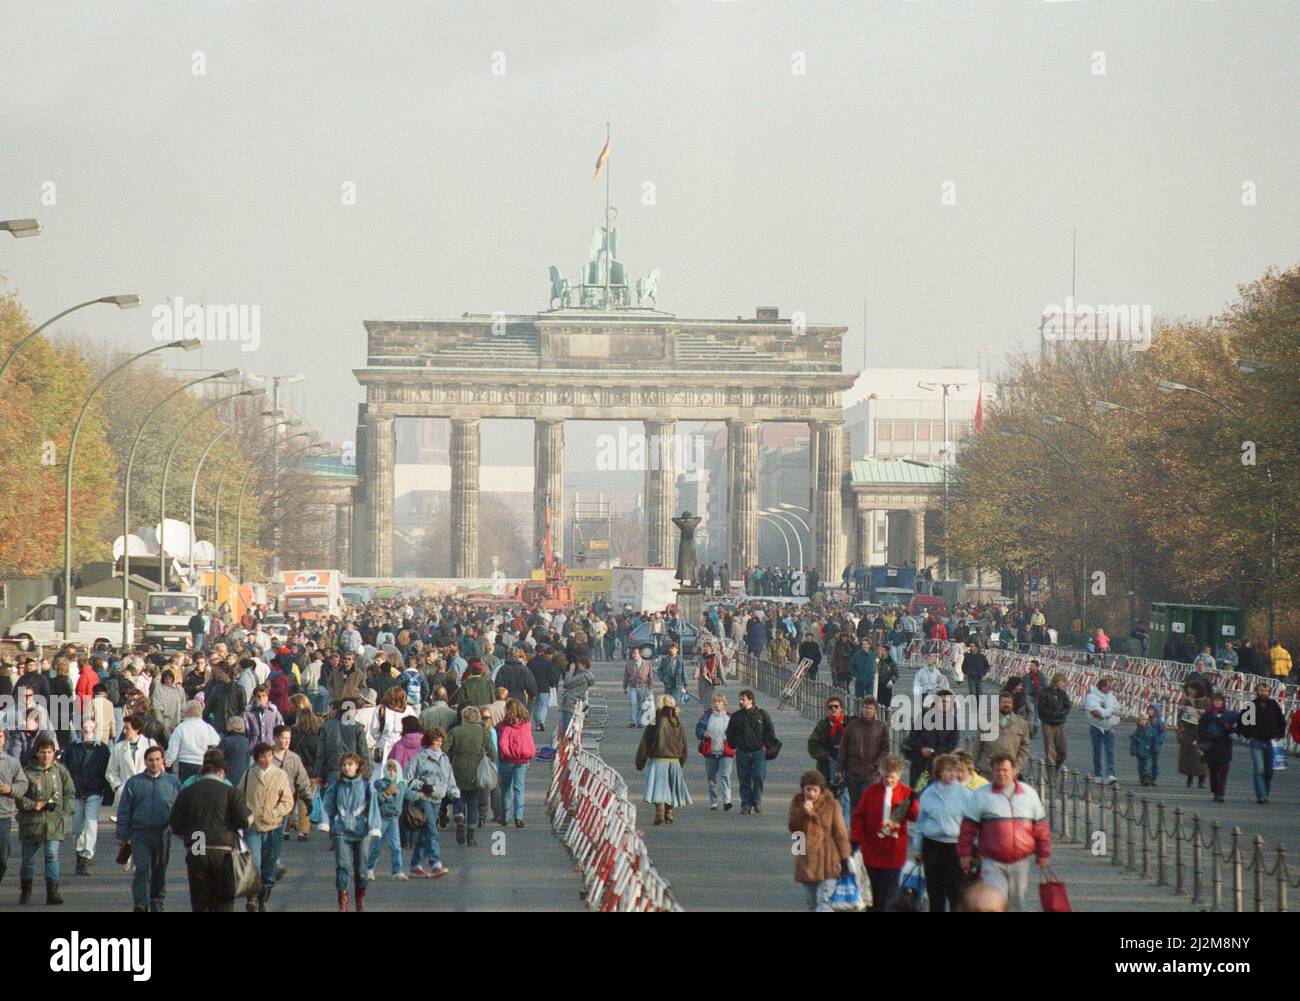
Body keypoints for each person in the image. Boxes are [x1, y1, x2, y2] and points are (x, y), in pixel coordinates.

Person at [957, 752, 1050, 912]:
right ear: (992, 772)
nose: (1001, 774)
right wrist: (965, 854)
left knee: (1017, 903)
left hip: (1021, 860)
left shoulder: (1029, 794)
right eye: (997, 770)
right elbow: (968, 828)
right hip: (992, 860)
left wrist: (1043, 852)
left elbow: (1041, 827)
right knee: (995, 902)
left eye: (1005, 770)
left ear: (1014, 771)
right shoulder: (981, 795)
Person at [168, 748, 252, 912]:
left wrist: (189, 834)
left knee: (200, 899)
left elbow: (175, 824)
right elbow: (244, 820)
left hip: (196, 848)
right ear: (221, 771)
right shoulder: (230, 792)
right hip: (223, 849)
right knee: (224, 900)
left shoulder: (188, 791)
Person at [114, 745, 181, 912]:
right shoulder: (134, 783)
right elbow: (124, 810)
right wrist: (122, 834)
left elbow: (180, 808)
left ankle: (157, 902)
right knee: (142, 869)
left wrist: (181, 830)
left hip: (162, 834)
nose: (154, 763)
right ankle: (140, 903)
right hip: (140, 834)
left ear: (163, 760)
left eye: (157, 759)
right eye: (150, 760)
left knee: (159, 870)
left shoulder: (172, 782)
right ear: (145, 761)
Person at [851, 754, 919, 911]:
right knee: (871, 898)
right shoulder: (871, 791)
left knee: (888, 898)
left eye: (892, 777)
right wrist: (855, 838)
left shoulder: (905, 792)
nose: (889, 780)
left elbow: (914, 816)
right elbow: (859, 816)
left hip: (893, 854)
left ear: (899, 776)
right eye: (886, 777)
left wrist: (913, 802)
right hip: (871, 851)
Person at [319, 751, 382, 911]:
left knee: (361, 870)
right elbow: (327, 805)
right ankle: (343, 902)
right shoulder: (336, 785)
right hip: (341, 830)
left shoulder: (366, 785)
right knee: (342, 866)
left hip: (362, 831)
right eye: (344, 765)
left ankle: (360, 900)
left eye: (350, 764)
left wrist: (374, 827)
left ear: (357, 766)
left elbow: (374, 808)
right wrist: (326, 822)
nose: (347, 768)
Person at [17, 737, 75, 905]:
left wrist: (65, 812)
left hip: (54, 821)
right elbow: (18, 796)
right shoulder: (27, 772)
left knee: (52, 855)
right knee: (28, 860)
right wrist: (32, 805)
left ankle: (52, 892)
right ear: (36, 753)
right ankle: (26, 889)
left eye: (49, 752)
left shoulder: (60, 771)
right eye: (43, 752)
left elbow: (70, 792)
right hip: (32, 822)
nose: (46, 755)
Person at [911, 753, 968, 912]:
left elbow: (971, 824)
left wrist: (972, 850)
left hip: (955, 846)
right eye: (948, 770)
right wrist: (918, 849)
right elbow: (920, 824)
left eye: (954, 770)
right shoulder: (928, 794)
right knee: (935, 892)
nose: (952, 774)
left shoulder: (965, 794)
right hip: (932, 846)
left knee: (956, 893)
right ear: (939, 772)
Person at [788, 769, 850, 912]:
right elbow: (794, 829)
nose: (811, 793)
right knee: (812, 903)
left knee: (824, 900)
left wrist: (845, 857)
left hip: (829, 861)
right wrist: (803, 813)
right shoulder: (797, 803)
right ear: (803, 789)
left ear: (821, 791)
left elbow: (840, 833)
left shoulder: (832, 804)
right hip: (807, 863)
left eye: (815, 790)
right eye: (808, 789)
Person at [403, 726, 456, 878]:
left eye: (440, 742)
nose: (438, 745)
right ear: (428, 741)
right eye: (435, 741)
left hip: (438, 799)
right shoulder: (420, 757)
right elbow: (407, 779)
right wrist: (422, 786)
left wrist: (455, 794)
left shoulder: (444, 759)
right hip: (423, 798)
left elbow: (449, 779)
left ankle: (416, 865)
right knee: (432, 829)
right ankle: (435, 863)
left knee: (425, 833)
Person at [63, 717, 110, 877]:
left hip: (94, 792)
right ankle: (79, 853)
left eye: (91, 727)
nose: (88, 730)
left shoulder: (102, 749)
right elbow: (64, 770)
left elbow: (107, 771)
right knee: (76, 827)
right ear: (81, 729)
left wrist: (107, 792)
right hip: (76, 792)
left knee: (91, 824)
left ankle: (87, 857)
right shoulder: (72, 748)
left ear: (95, 730)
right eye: (85, 727)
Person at [636, 695, 692, 825]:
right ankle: (669, 812)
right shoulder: (677, 722)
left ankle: (659, 811)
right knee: (672, 786)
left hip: (657, 759)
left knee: (658, 787)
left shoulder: (654, 720)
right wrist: (682, 760)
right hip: (674, 760)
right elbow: (683, 744)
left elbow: (645, 742)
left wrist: (640, 762)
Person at [444, 706, 496, 845]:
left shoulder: (455, 731)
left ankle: (459, 815)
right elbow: (492, 752)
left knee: (458, 797)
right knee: (473, 803)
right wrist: (490, 762)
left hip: (457, 770)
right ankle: (471, 835)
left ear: (464, 717)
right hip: (476, 772)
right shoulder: (484, 733)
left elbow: (444, 749)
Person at [726, 689, 777, 815]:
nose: (740, 701)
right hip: (742, 751)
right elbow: (730, 733)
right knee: (744, 778)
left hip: (758, 751)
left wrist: (767, 745)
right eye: (740, 699)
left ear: (751, 700)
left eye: (743, 699)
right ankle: (746, 804)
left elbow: (770, 731)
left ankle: (757, 801)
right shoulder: (736, 716)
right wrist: (733, 744)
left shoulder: (761, 714)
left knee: (758, 775)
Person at [837, 696, 890, 815]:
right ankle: (855, 826)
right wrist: (839, 768)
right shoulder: (852, 725)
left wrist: (876, 764)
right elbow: (844, 747)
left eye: (871, 708)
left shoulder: (881, 727)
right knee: (855, 806)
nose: (868, 711)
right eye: (866, 707)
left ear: (875, 711)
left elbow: (885, 749)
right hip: (853, 772)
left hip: (872, 774)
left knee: (870, 805)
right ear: (861, 709)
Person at [1237, 682, 1286, 804]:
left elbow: (1281, 722)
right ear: (1256, 692)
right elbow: (1242, 723)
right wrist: (1248, 735)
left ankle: (1266, 793)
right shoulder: (1251, 706)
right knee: (1259, 769)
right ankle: (1261, 796)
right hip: (1256, 741)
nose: (1264, 693)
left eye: (1266, 691)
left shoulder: (1274, 705)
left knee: (1269, 772)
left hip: (1271, 741)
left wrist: (1279, 735)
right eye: (1261, 690)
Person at [903, 689, 961, 787]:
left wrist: (934, 751)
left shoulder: (953, 721)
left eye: (947, 702)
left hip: (941, 767)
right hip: (920, 764)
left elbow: (952, 744)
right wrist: (921, 749)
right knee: (918, 792)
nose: (944, 704)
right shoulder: (923, 716)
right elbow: (913, 737)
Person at [365, 757, 408, 881]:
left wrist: (421, 795)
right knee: (376, 846)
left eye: (394, 770)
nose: (392, 772)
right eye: (389, 770)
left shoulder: (401, 784)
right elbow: (375, 800)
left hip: (394, 818)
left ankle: (397, 871)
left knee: (396, 846)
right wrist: (386, 793)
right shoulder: (380, 784)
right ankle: (369, 868)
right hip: (381, 818)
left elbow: (409, 794)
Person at [496, 698, 537, 829]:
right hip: (522, 760)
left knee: (506, 790)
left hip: (506, 760)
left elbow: (500, 742)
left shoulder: (502, 726)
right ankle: (519, 817)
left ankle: (505, 817)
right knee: (519, 789)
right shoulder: (526, 725)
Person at [807, 696, 849, 821]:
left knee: (845, 796)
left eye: (836, 707)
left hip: (846, 765)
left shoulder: (849, 725)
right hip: (827, 766)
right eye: (830, 707)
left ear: (841, 709)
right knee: (827, 797)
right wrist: (826, 756)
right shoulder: (823, 726)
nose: (833, 709)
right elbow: (812, 745)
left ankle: (843, 826)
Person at [975, 690, 1031, 779]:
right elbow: (977, 747)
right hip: (987, 772)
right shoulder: (986, 720)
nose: (1006, 705)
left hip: (1009, 773)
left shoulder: (1021, 724)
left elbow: (1024, 749)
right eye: (1004, 702)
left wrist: (1017, 768)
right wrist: (972, 767)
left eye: (1009, 703)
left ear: (1012, 705)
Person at [316, 700, 371, 788]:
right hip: (351, 770)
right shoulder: (357, 727)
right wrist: (367, 773)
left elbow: (321, 753)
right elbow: (363, 752)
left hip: (331, 770)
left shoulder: (326, 726)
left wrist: (318, 774)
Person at [1197, 694, 1239, 804]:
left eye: (1220, 701)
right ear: (1212, 702)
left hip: (1224, 744)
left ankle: (1221, 793)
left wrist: (1228, 727)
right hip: (1211, 745)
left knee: (1224, 770)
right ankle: (1215, 791)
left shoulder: (1228, 715)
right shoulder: (1207, 715)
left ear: (1223, 702)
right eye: (1216, 700)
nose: (1218, 702)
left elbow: (1233, 729)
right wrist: (1204, 741)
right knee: (1213, 771)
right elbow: (1201, 729)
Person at [695, 693, 734, 811]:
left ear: (724, 704)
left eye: (719, 701)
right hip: (710, 751)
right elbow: (699, 729)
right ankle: (713, 801)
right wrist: (703, 733)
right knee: (711, 778)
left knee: (725, 775)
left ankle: (727, 800)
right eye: (715, 702)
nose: (716, 704)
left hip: (726, 751)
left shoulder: (730, 717)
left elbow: (737, 731)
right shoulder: (707, 717)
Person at [165, 700, 221, 782]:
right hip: (202, 763)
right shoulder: (207, 727)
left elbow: (173, 749)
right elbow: (216, 741)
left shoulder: (181, 727)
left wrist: (167, 763)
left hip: (185, 763)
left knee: (185, 787)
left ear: (187, 712)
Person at [1084, 677, 1121, 782]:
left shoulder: (1111, 697)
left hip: (1109, 728)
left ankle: (1110, 774)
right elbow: (1096, 713)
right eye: (1109, 686)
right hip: (1096, 727)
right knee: (1097, 752)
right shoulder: (1092, 697)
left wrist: (1112, 715)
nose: (1110, 688)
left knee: (1110, 752)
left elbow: (1118, 711)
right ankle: (1098, 774)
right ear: (1102, 686)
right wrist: (1109, 713)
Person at [1178, 681, 1210, 789]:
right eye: (1190, 689)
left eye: (1192, 689)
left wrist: (1204, 713)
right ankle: (1189, 777)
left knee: (1201, 755)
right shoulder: (1188, 701)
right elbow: (1181, 716)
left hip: (1201, 732)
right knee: (1188, 756)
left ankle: (1202, 779)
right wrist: (1183, 711)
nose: (1190, 691)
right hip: (1188, 731)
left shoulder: (1206, 702)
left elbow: (1211, 715)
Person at [1037, 673, 1071, 772]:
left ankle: (1056, 767)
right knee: (1050, 749)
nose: (1064, 684)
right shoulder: (1044, 693)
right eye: (1063, 682)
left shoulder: (1062, 694)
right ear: (1057, 681)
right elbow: (1042, 709)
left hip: (1060, 724)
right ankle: (1051, 772)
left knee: (1063, 750)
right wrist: (1053, 714)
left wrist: (1062, 713)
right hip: (1048, 724)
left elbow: (1068, 705)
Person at [559, 658, 595, 738]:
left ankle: (566, 740)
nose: (577, 667)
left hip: (570, 702)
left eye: (578, 665)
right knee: (574, 724)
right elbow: (582, 691)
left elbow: (567, 683)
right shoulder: (587, 675)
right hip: (576, 701)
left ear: (583, 665)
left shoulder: (581, 676)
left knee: (567, 725)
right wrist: (585, 708)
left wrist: (570, 672)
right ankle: (570, 740)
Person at [1130, 712, 1164, 787]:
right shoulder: (1137, 731)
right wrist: (1133, 750)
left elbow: (1155, 740)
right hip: (1140, 752)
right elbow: (1134, 741)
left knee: (1148, 764)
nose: (1142, 722)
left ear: (1147, 720)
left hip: (1149, 751)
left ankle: (1147, 777)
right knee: (1141, 766)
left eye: (1144, 720)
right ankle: (1142, 778)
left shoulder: (1151, 730)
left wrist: (1155, 749)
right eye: (1141, 720)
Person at [623, 649, 653, 729]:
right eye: (632, 653)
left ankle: (640, 722)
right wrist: (625, 687)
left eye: (635, 653)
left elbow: (650, 677)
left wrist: (650, 689)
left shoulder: (647, 664)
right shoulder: (629, 664)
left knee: (641, 705)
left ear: (640, 654)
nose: (633, 654)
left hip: (643, 687)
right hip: (632, 687)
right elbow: (626, 676)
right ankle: (633, 722)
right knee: (632, 704)